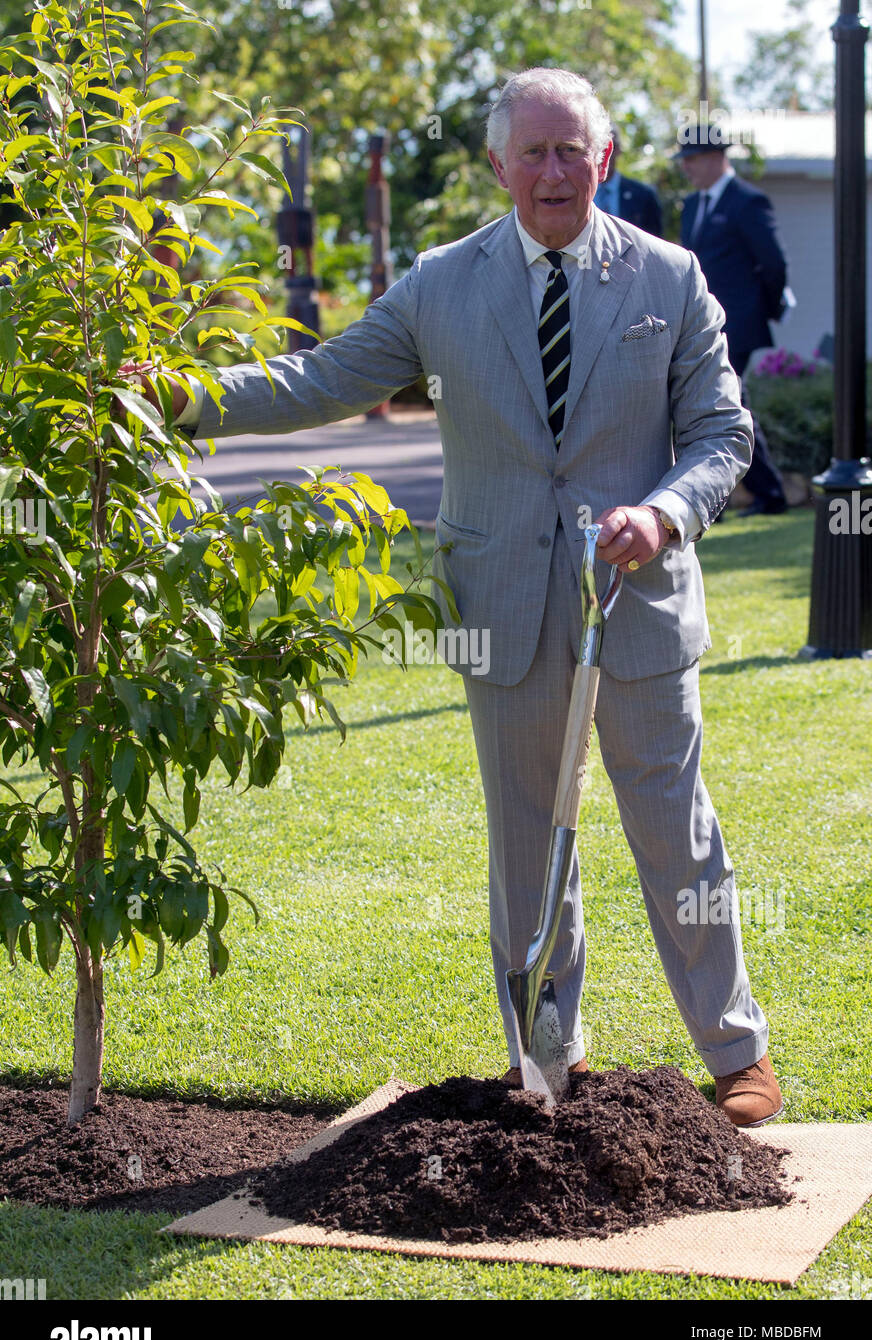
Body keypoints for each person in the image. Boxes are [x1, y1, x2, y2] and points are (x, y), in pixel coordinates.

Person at [149, 68, 783, 1127]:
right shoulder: (440, 284)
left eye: (570, 149)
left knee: (676, 834)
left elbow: (722, 436)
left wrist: (662, 513)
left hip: (635, 608)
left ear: (605, 159)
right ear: (495, 166)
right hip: (500, 611)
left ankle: (735, 1054)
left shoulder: (669, 280)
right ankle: (545, 1060)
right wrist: (175, 398)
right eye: (529, 152)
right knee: (526, 845)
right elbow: (317, 380)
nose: (551, 171)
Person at [678, 128, 789, 517]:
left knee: (725, 404)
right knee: (721, 405)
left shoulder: (747, 201)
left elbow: (773, 264)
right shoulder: (692, 205)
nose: (685, 166)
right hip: (697, 323)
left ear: (715, 156)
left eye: (691, 158)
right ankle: (739, 495)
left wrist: (768, 310)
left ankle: (765, 493)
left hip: (736, 325)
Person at [593, 126, 663, 236]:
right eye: (598, 148)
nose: (604, 154)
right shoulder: (575, 193)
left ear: (619, 149)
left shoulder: (644, 195)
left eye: (609, 147)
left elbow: (654, 243)